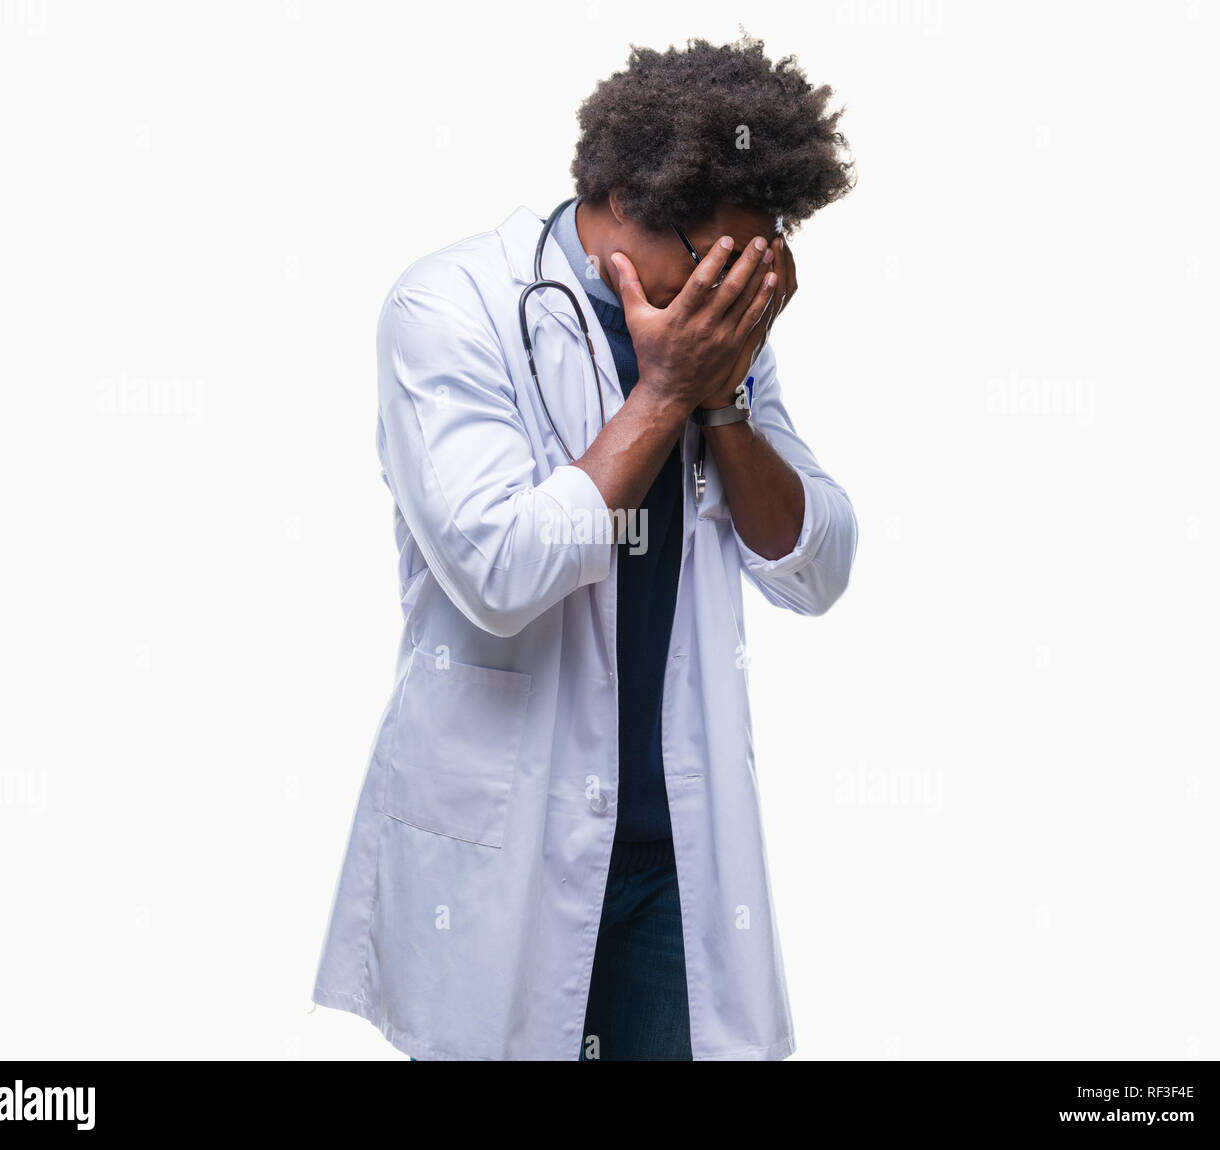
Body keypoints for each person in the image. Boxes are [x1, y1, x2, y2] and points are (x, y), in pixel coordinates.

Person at [311, 33, 858, 1061]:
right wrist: (662, 394)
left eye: (755, 261)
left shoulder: (724, 348)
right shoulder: (449, 308)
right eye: (712, 256)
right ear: (618, 198)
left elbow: (816, 565)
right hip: (507, 850)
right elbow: (500, 568)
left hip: (671, 863)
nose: (735, 289)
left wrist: (725, 397)